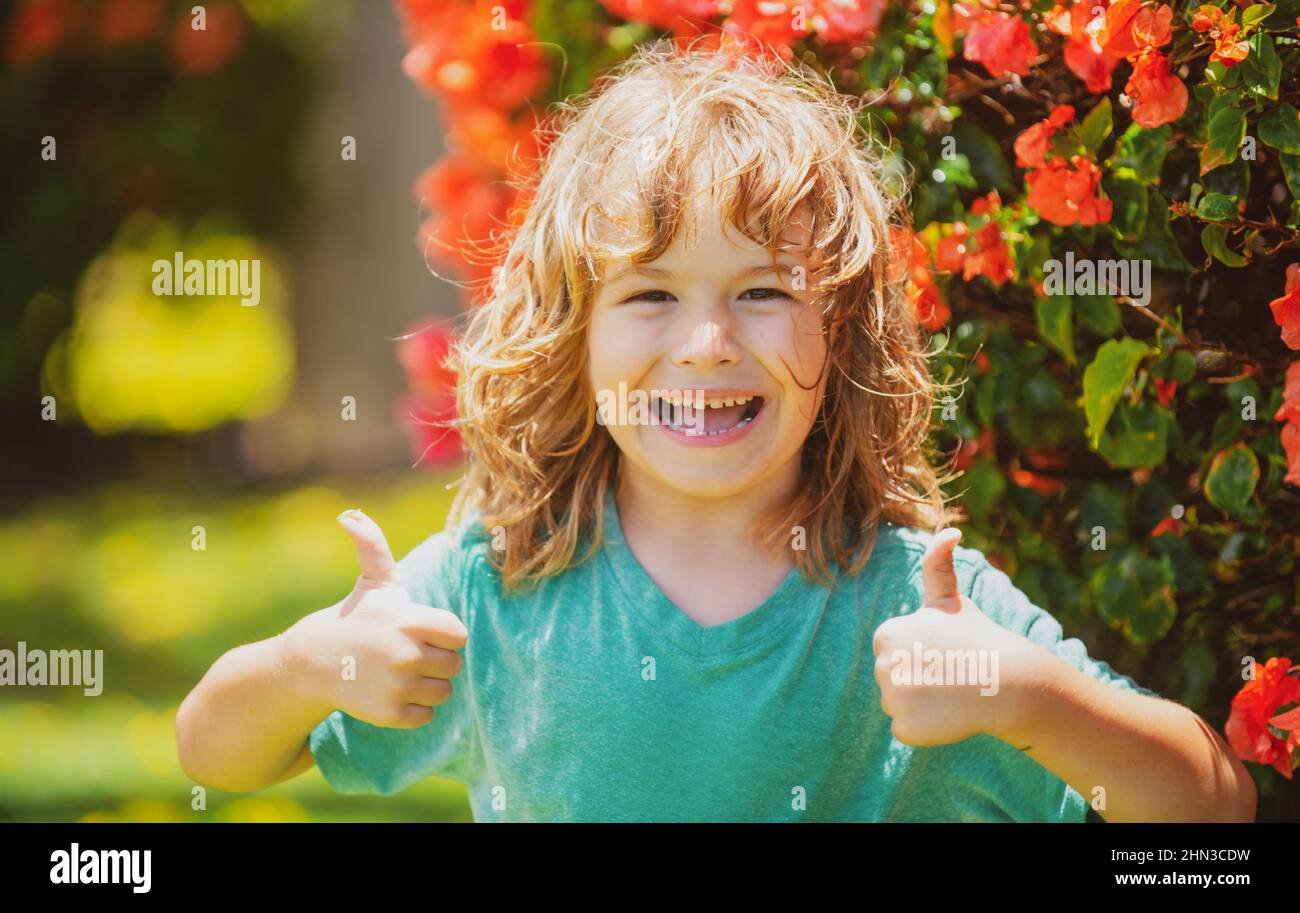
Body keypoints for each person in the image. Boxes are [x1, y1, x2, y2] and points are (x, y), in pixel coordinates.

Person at [175, 43, 1256, 822]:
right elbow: (213, 752)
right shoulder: (494, 591)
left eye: (761, 292)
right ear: (572, 340)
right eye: (648, 296)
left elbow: (1212, 812)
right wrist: (304, 664)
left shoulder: (912, 605)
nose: (705, 342)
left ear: (841, 333)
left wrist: (1026, 695)